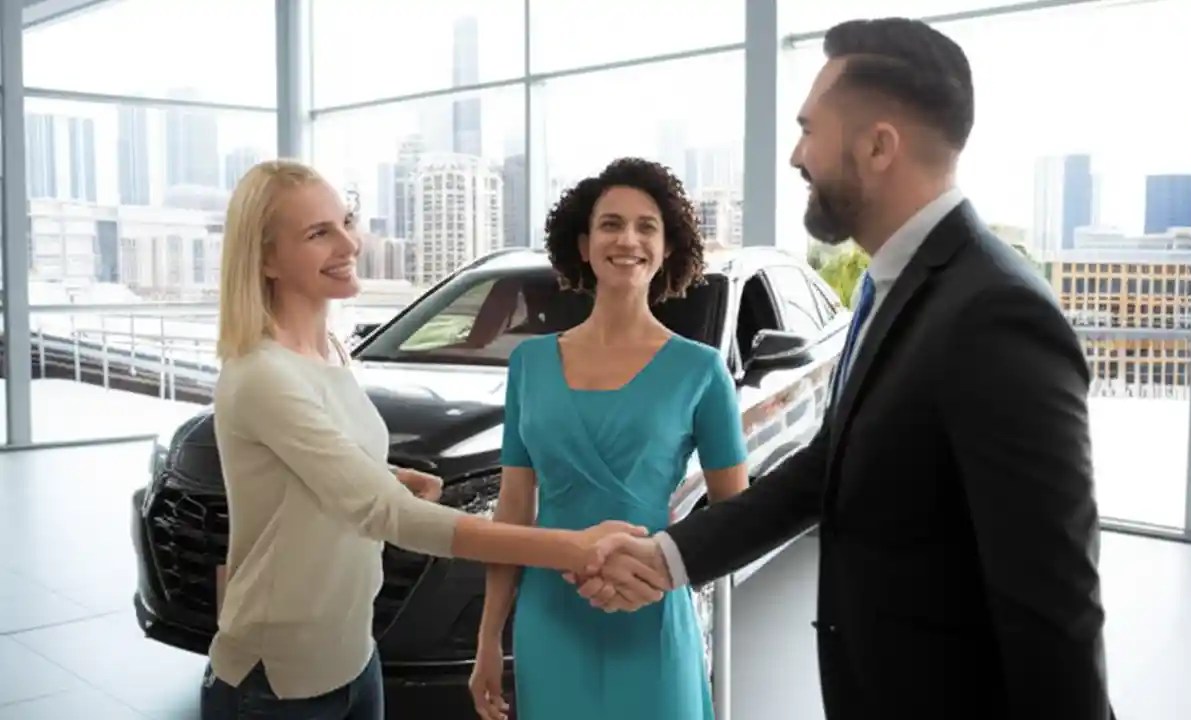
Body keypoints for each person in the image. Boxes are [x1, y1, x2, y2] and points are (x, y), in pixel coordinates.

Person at [574, 18, 1115, 720]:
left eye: (809, 128)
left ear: (877, 145)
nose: (797, 154)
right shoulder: (889, 287)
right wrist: (667, 557)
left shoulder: (995, 312)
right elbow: (826, 466)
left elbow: (1055, 604)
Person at [201, 159, 652, 720]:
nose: (350, 243)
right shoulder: (262, 375)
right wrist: (573, 546)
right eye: (319, 234)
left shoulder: (330, 353)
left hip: (354, 656)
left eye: (346, 221)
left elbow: (320, 470)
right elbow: (392, 518)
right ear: (266, 258)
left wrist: (387, 473)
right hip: (275, 681)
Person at [467, 158, 750, 720]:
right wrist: (488, 639)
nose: (628, 239)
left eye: (647, 226)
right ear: (585, 242)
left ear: (667, 247)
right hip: (550, 616)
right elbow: (514, 513)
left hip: (649, 608)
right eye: (611, 224)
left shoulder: (701, 371)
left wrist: (666, 568)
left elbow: (737, 519)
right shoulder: (530, 364)